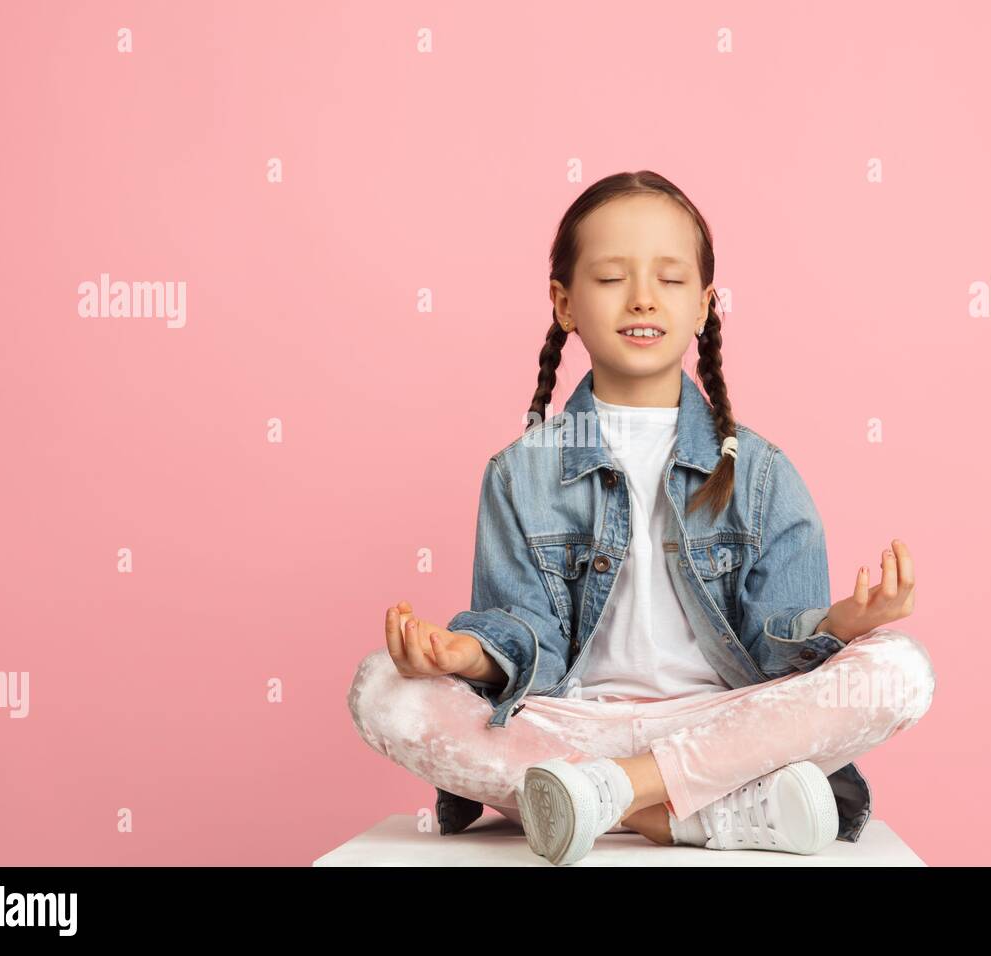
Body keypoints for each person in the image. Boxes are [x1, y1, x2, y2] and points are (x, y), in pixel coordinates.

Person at [349, 170, 936, 866]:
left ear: (704, 305)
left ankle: (613, 795)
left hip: (717, 725)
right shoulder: (521, 470)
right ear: (564, 303)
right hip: (570, 726)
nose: (642, 299)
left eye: (670, 278)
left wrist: (845, 624)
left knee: (900, 668)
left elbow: (776, 660)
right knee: (382, 686)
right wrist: (466, 654)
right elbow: (528, 636)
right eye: (610, 279)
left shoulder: (762, 472)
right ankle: (693, 816)